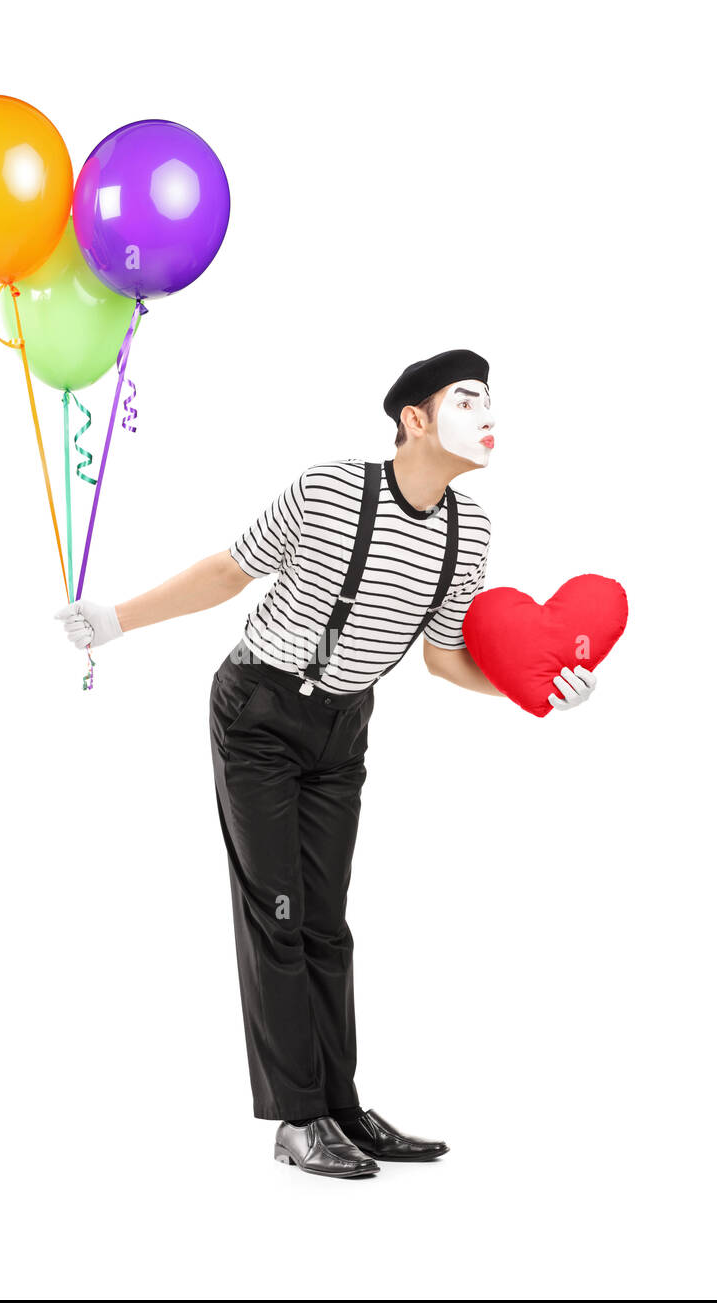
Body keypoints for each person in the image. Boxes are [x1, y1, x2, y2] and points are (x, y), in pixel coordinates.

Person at [55, 349, 597, 1181]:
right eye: (468, 400)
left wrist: (534, 694)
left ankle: (340, 1107)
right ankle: (296, 1121)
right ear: (415, 419)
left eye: (493, 401)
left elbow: (444, 659)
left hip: (344, 727)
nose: (490, 416)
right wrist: (115, 620)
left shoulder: (470, 528)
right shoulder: (331, 490)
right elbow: (226, 573)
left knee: (325, 922)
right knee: (276, 912)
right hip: (261, 713)